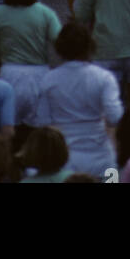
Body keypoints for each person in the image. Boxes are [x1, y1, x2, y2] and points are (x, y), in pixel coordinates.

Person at [35, 20, 123, 177]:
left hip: (64, 162)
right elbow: (115, 116)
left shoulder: (48, 80)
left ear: (60, 48)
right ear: (90, 46)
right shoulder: (104, 78)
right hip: (103, 159)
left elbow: (42, 123)